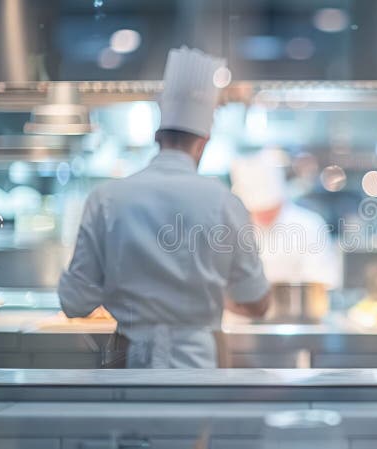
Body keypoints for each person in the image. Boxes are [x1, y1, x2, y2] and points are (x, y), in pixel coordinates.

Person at [57, 47, 272, 369]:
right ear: (204, 141)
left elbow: (74, 303)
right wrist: (210, 291)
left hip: (128, 362)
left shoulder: (105, 199)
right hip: (202, 365)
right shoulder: (225, 202)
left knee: (132, 422)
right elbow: (256, 303)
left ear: (157, 136)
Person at [230, 151, 338, 288]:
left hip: (298, 307)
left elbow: (322, 279)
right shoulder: (236, 230)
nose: (263, 217)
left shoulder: (309, 225)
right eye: (257, 212)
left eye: (270, 210)